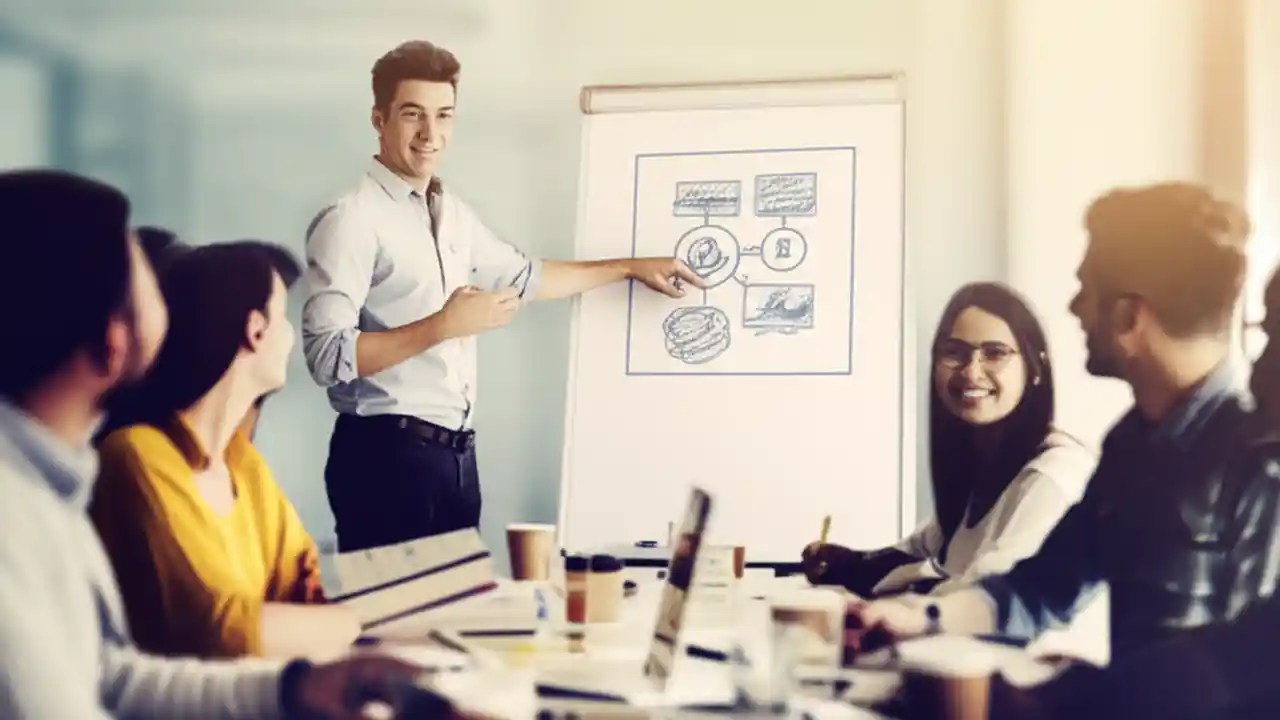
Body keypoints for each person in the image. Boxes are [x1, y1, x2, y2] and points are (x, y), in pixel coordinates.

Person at [0, 169, 464, 719]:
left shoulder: (53, 485)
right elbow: (219, 631)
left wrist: (297, 690)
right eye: (142, 275)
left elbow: (111, 676)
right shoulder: (31, 506)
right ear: (112, 342)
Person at [844, 184, 1280, 672]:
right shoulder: (1131, 445)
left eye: (1085, 290)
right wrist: (922, 617)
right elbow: (1042, 587)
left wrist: (1068, 697)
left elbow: (1247, 676)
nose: (1073, 308)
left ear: (1127, 315)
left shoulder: (1260, 462)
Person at [303, 40, 707, 552]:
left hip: (454, 459)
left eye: (444, 115)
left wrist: (629, 268)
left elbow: (523, 277)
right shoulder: (351, 220)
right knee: (394, 627)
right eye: (413, 115)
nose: (431, 134)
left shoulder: (449, 211)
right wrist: (443, 326)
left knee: (450, 622)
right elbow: (327, 357)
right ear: (379, 119)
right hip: (385, 458)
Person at [92, 242, 360, 660]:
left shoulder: (243, 463)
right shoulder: (134, 455)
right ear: (254, 330)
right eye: (284, 317)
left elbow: (307, 586)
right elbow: (223, 634)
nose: (292, 335)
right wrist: (355, 621)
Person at [801, 283, 1096, 597]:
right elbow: (916, 553)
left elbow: (991, 598)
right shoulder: (984, 465)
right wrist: (842, 563)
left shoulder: (1055, 474)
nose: (971, 372)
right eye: (954, 352)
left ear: (1035, 368)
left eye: (995, 353)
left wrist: (913, 583)